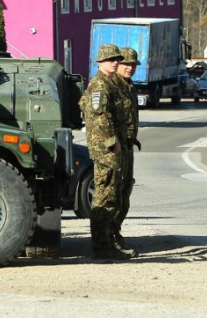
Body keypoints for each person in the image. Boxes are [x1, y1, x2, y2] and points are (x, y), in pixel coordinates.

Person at [79, 43, 130, 261]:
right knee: (104, 197)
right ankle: (101, 247)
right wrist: (112, 143)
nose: (115, 62)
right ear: (100, 62)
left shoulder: (110, 83)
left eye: (117, 59)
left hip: (111, 148)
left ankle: (109, 242)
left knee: (113, 195)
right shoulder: (99, 85)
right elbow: (100, 118)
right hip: (105, 150)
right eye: (110, 59)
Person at [114, 47, 142, 258]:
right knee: (112, 196)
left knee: (124, 194)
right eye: (126, 64)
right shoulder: (112, 87)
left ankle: (116, 235)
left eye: (133, 65)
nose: (129, 68)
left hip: (127, 147)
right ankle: (110, 240)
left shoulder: (129, 87)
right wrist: (111, 144)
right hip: (114, 149)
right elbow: (101, 121)